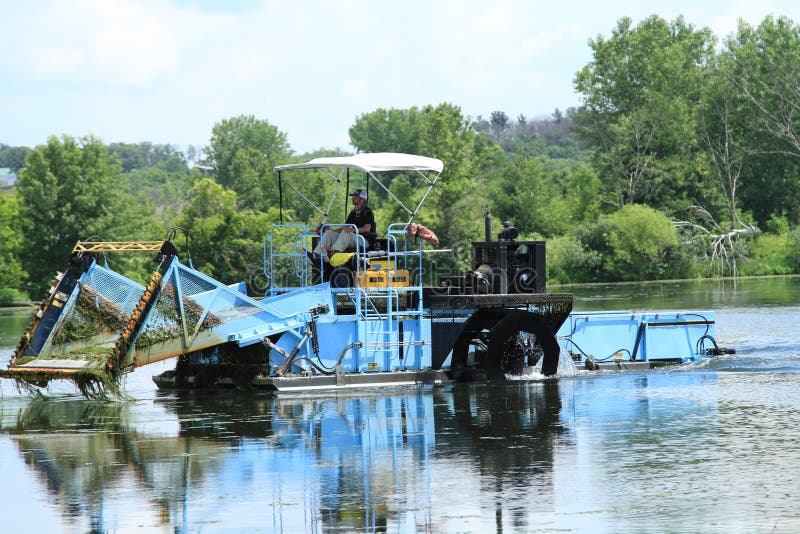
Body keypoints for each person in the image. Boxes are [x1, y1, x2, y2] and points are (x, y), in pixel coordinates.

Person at [307, 189, 375, 262]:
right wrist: (333, 231)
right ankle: (315, 256)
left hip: (364, 240)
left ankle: (333, 254)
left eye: (355, 197)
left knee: (346, 232)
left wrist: (352, 230)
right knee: (328, 233)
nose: (353, 199)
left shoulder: (368, 212)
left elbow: (367, 228)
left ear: (362, 200)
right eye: (353, 197)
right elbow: (345, 227)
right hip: (352, 238)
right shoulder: (352, 213)